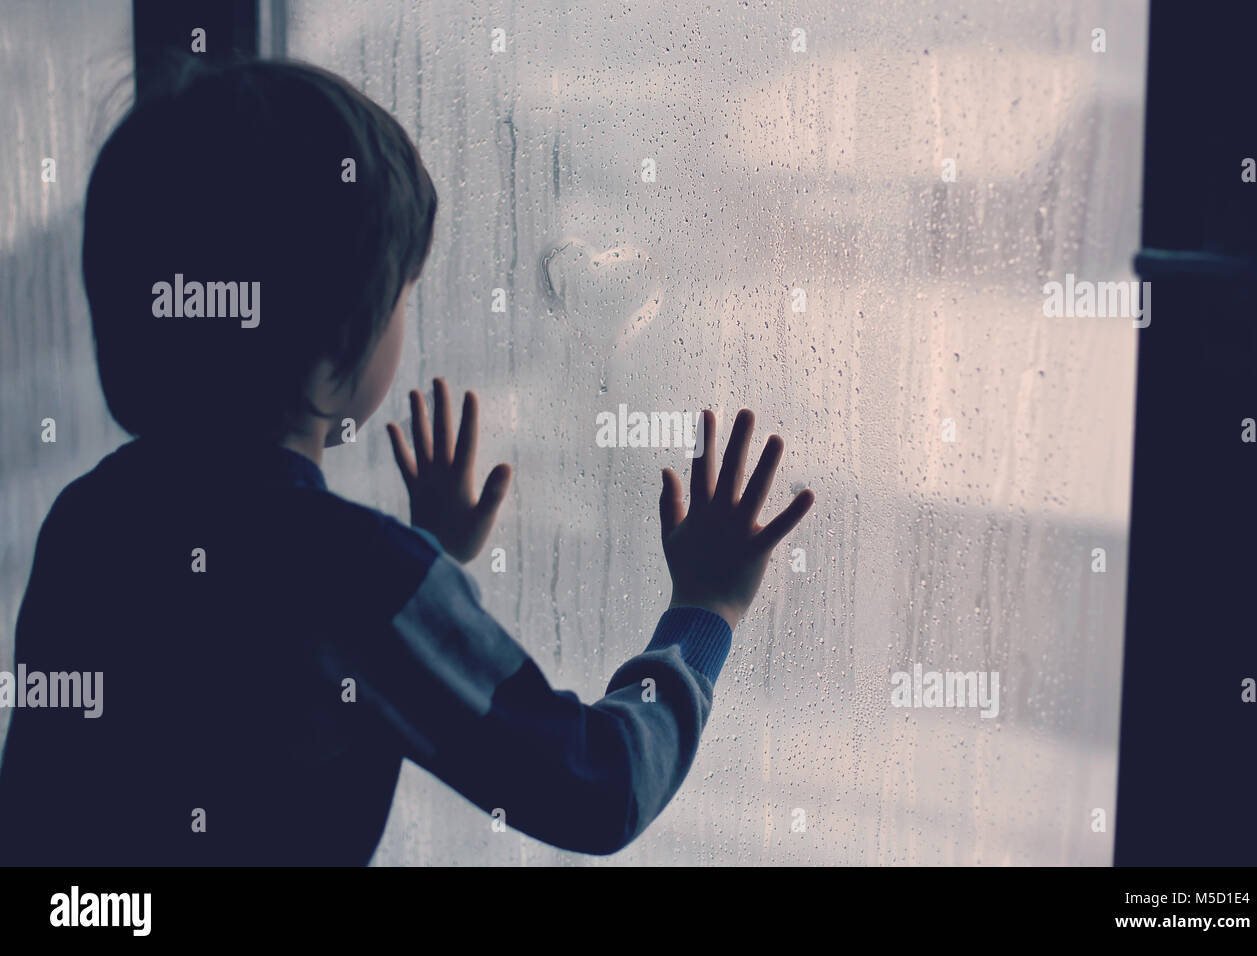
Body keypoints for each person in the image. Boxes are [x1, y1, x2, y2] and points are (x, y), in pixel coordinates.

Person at [0, 59, 814, 864]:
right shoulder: (358, 578)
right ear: (340, 343)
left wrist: (424, 556)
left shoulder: (87, 520)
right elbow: (598, 785)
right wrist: (705, 611)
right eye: (399, 296)